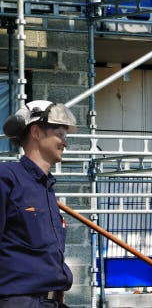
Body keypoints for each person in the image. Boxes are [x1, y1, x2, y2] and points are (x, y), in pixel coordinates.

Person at [0, 100, 77, 307]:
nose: (65, 142)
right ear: (36, 132)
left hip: (51, 301)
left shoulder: (46, 189)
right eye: (59, 133)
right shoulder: (7, 178)